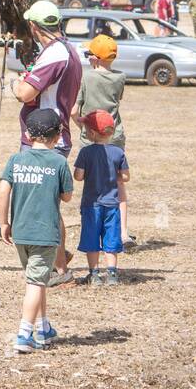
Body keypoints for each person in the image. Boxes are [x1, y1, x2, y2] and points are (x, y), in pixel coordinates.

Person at [11, 0, 84, 284]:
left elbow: (25, 93)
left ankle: (60, 268)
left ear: (33, 26)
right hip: (53, 135)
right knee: (46, 203)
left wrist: (17, 84)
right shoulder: (67, 49)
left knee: (45, 206)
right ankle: (58, 258)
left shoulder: (54, 54)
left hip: (46, 139)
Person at [0, 107, 74, 352]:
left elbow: (2, 191)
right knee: (35, 283)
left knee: (37, 280)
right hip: (45, 233)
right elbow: (67, 196)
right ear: (57, 136)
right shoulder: (59, 162)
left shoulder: (16, 160)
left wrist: (3, 223)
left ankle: (43, 328)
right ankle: (24, 334)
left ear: (28, 135)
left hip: (20, 232)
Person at [73, 34, 130, 242]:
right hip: (115, 136)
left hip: (91, 139)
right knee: (117, 183)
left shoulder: (87, 77)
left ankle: (94, 227)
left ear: (95, 58)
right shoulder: (120, 77)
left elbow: (73, 110)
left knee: (91, 183)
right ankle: (122, 231)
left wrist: (84, 128)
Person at [74, 110, 129, 286]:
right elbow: (126, 176)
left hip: (91, 204)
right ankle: (112, 274)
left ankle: (94, 273)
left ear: (91, 133)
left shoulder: (86, 152)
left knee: (91, 238)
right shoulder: (118, 152)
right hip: (112, 204)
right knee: (111, 238)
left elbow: (79, 176)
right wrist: (115, 177)